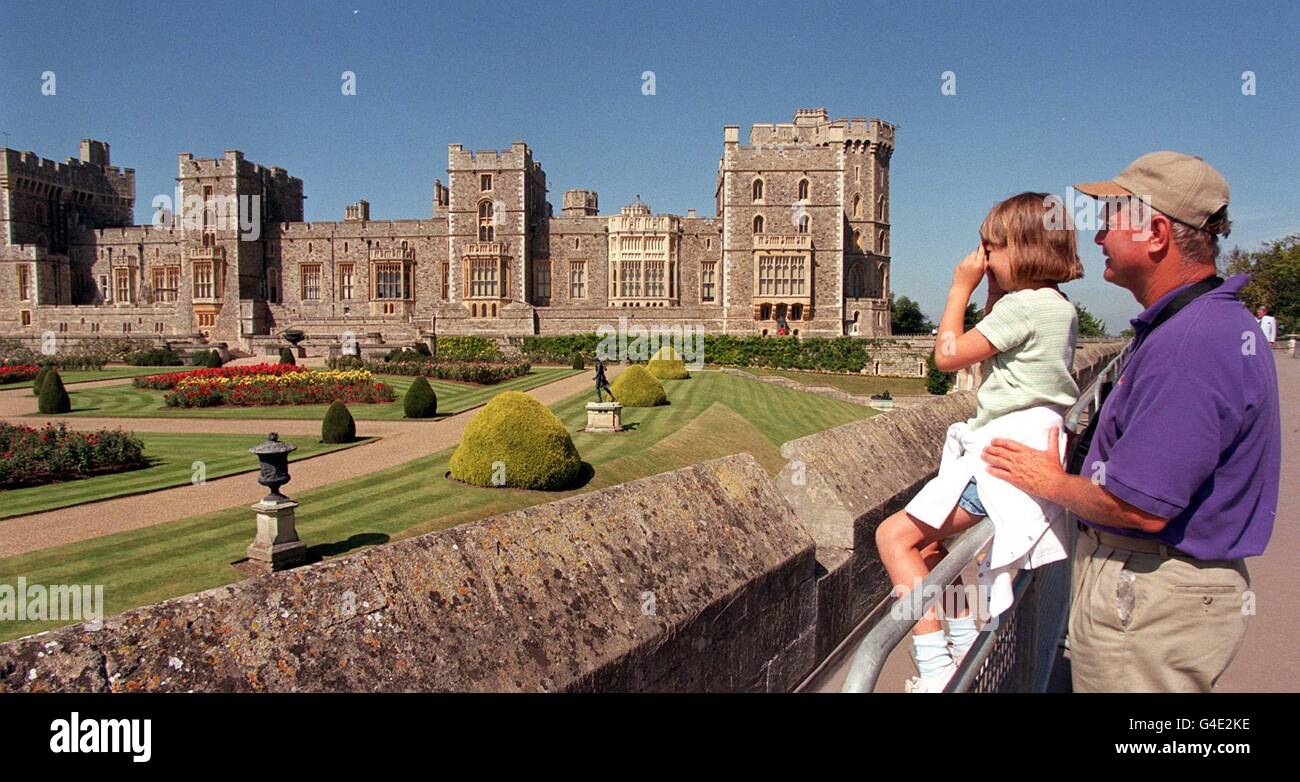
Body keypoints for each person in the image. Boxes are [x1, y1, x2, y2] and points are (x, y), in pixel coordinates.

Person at [982, 151, 1281, 692]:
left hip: (1151, 596)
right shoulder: (1198, 323)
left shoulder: (1192, 343)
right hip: (1154, 590)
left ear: (1158, 233)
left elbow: (1140, 506)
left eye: (1112, 220)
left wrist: (1047, 481)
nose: (1097, 238)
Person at [875, 192, 1083, 692]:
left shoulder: (1024, 309)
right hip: (1027, 450)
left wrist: (958, 290)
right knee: (931, 550)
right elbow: (999, 335)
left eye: (991, 248)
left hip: (998, 460)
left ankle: (934, 666)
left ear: (1022, 249)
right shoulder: (1057, 307)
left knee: (892, 538)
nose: (983, 258)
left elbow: (947, 355)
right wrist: (993, 290)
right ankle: (965, 632)